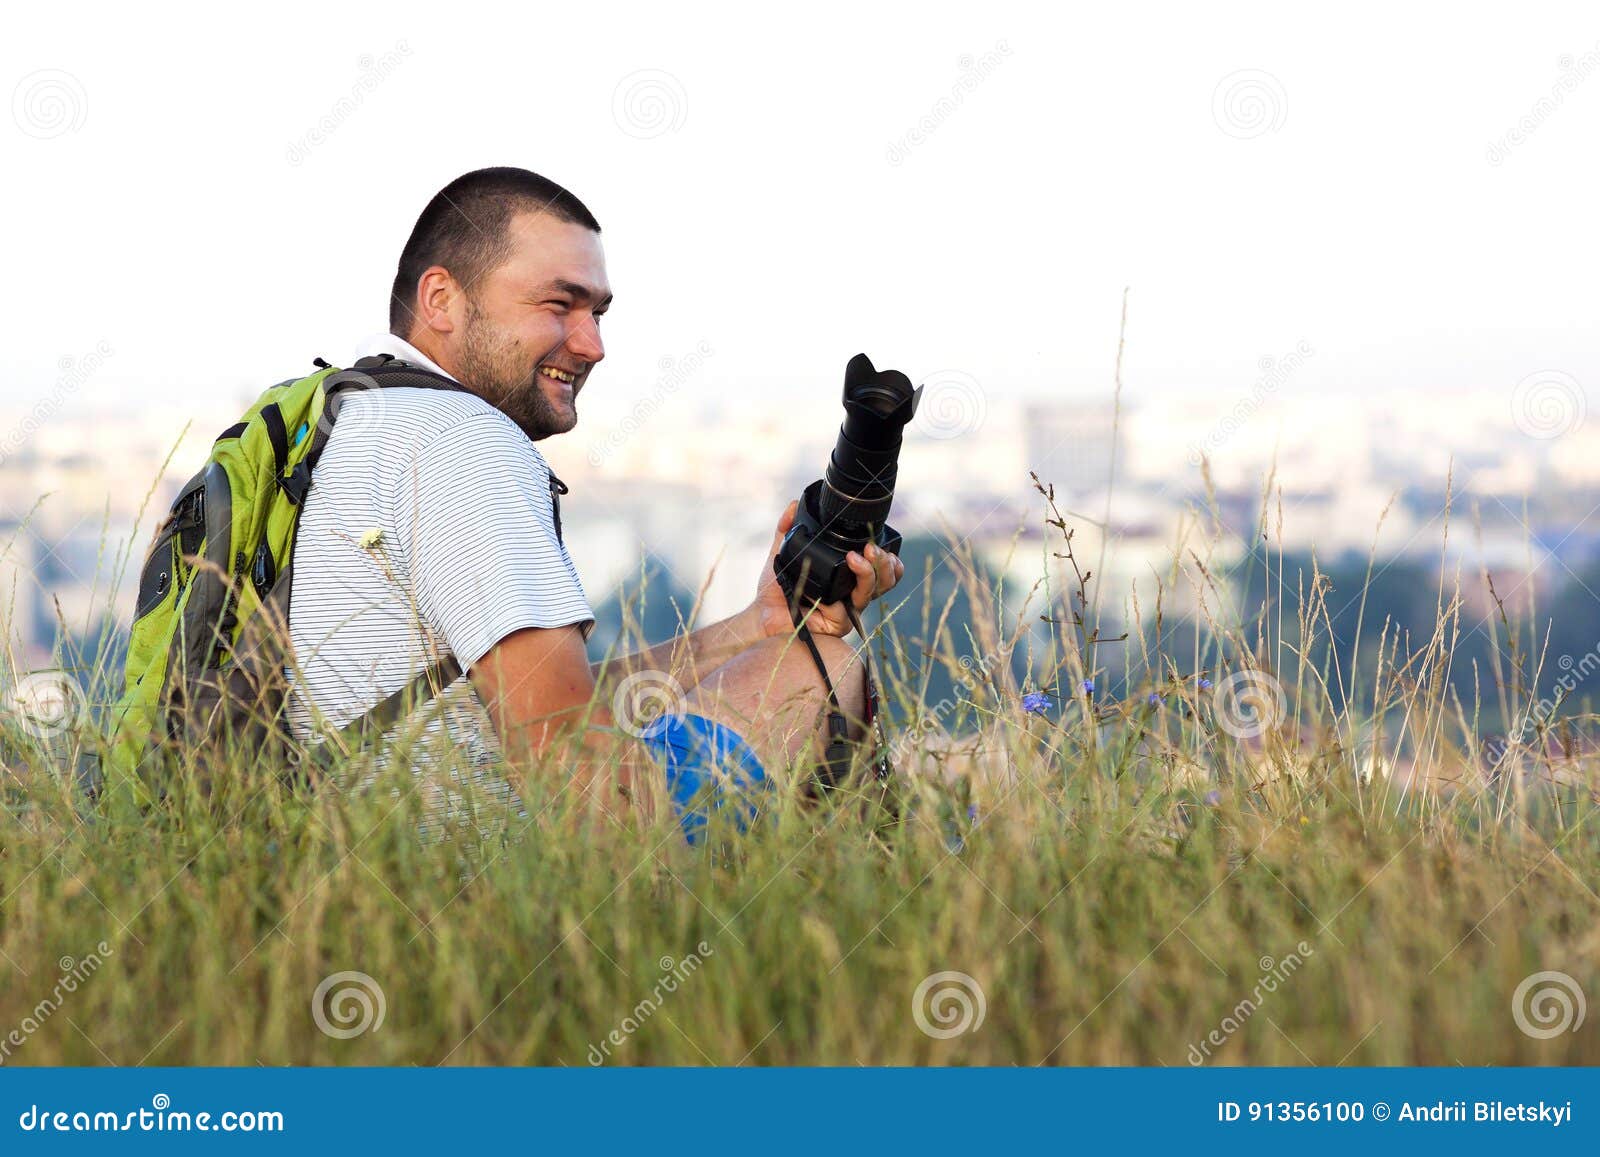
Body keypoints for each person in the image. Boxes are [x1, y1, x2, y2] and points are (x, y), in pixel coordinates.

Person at [285, 166, 905, 829]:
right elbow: (580, 782)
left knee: (787, 649)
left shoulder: (343, 421)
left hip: (344, 849)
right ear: (441, 298)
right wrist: (668, 928)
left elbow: (542, 705)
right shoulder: (466, 444)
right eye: (559, 304)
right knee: (824, 669)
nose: (592, 345)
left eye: (598, 313)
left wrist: (758, 627)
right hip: (476, 870)